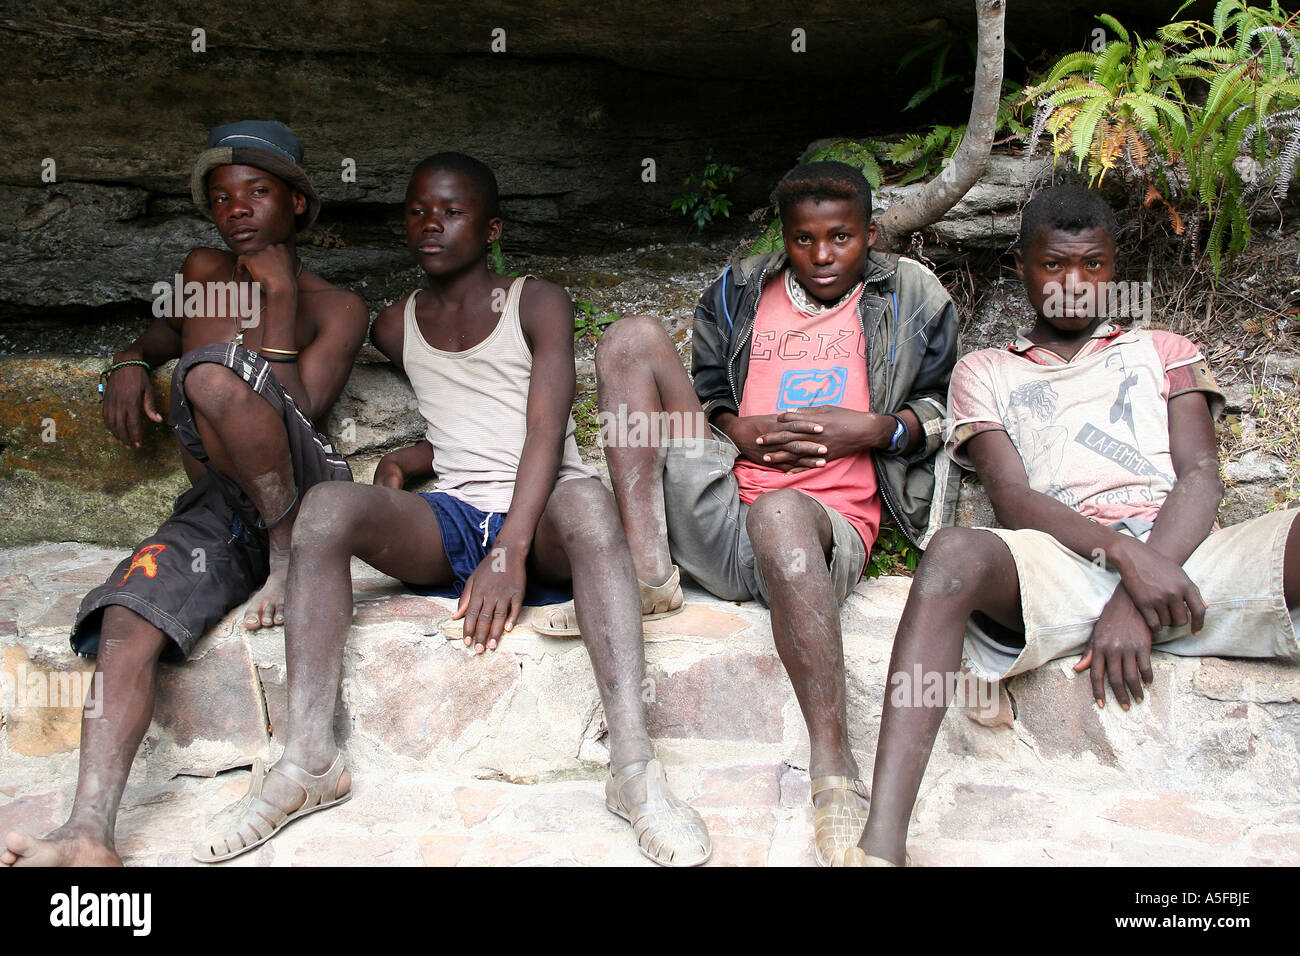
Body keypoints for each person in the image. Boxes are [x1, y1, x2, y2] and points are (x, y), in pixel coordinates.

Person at [192, 153, 711, 868]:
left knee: (589, 501)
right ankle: (308, 761)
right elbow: (459, 414)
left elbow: (541, 429)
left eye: (452, 211)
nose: (430, 223)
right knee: (324, 510)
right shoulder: (395, 325)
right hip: (457, 520)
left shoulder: (537, 302)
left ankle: (635, 771)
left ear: (492, 227)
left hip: (548, 517)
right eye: (416, 211)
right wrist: (415, 458)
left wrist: (510, 551)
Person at [849, 184, 1300, 867]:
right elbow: (1012, 497)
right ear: (1022, 266)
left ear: (1114, 266)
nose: (1074, 284)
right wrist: (1124, 561)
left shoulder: (1165, 350)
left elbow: (1200, 475)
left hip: (1185, 559)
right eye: (1054, 264)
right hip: (1063, 562)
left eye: (1093, 265)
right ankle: (880, 844)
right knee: (953, 556)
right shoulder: (986, 371)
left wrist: (1138, 596)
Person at [1, 121, 368, 867]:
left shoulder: (338, 306)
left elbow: (299, 408)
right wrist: (128, 362)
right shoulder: (202, 268)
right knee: (127, 618)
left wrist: (275, 298)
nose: (236, 209)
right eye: (222, 196)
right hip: (222, 510)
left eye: (257, 192)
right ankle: (86, 833)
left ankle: (289, 553)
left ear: (298, 204)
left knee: (209, 374)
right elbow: (161, 336)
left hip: (307, 494)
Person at [584, 161, 959, 866]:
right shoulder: (741, 288)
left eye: (841, 238)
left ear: (871, 234)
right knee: (630, 337)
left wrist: (872, 429)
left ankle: (834, 772)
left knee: (783, 514)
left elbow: (948, 407)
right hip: (724, 501)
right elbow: (702, 391)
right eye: (803, 239)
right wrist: (734, 428)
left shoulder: (911, 294)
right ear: (782, 238)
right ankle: (649, 576)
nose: (822, 256)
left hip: (820, 530)